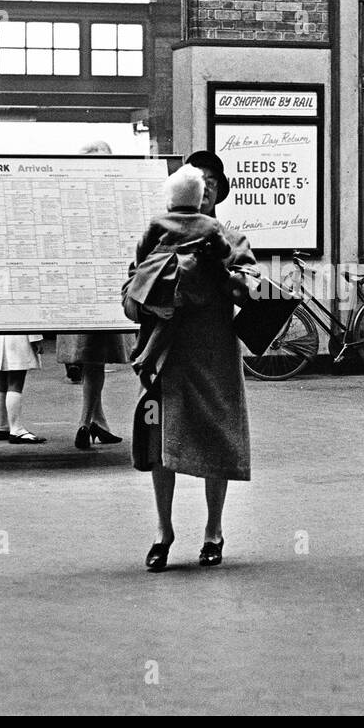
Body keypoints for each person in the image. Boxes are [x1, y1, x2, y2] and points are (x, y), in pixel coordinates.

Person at [127, 149, 256, 572]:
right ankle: (163, 531)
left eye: (210, 182)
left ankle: (213, 531)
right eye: (195, 180)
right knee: (160, 438)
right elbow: (129, 292)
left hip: (214, 351)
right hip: (167, 353)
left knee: (217, 436)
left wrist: (220, 269)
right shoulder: (158, 234)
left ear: (217, 191)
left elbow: (250, 292)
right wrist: (152, 302)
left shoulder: (231, 238)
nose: (201, 190)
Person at [58, 139, 131, 449]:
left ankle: (97, 421)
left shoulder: (74, 198)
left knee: (92, 360)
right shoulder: (103, 198)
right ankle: (86, 422)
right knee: (94, 359)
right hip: (86, 290)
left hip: (99, 288)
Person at [126, 166, 231, 379]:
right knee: (173, 319)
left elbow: (141, 252)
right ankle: (145, 359)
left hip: (159, 279)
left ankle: (143, 355)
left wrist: (147, 272)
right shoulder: (210, 225)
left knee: (167, 320)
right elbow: (225, 251)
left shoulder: (158, 221)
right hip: (189, 285)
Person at [0, 334, 46, 444]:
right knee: (16, 382)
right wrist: (36, 338)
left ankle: (2, 427)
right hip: (17, 337)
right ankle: (16, 429)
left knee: (1, 382)